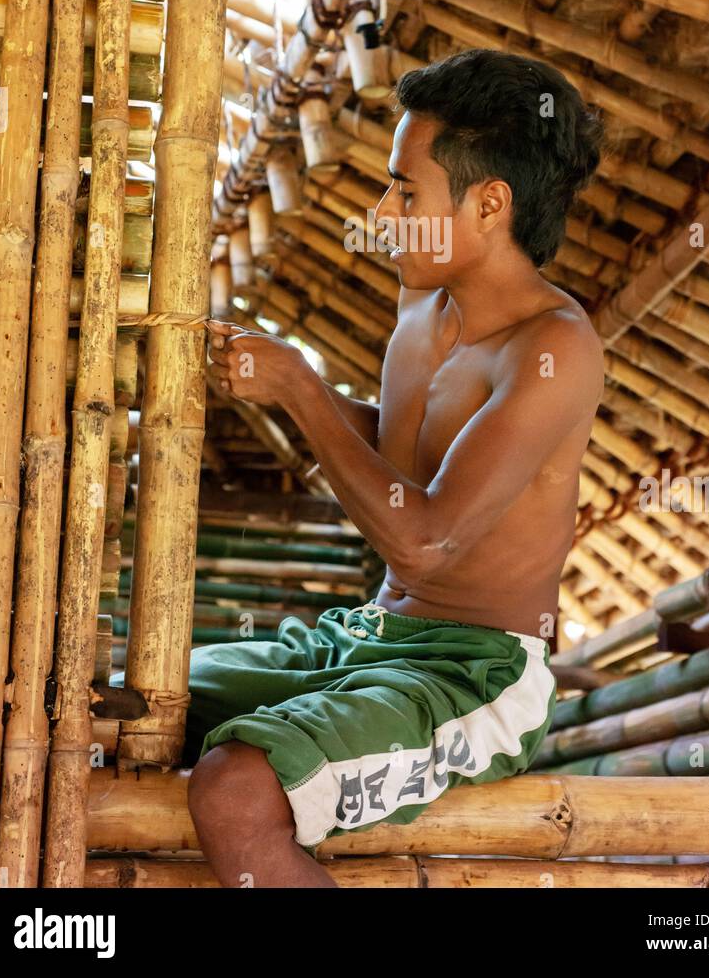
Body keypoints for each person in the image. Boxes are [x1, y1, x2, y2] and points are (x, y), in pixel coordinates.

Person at [189, 47, 606, 887]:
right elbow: (407, 448)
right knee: (146, 690)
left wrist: (302, 388)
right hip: (372, 638)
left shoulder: (554, 348)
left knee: (233, 792)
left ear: (490, 204)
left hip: (473, 673)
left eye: (404, 191)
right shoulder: (423, 303)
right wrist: (277, 387)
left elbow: (426, 543)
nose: (383, 212)